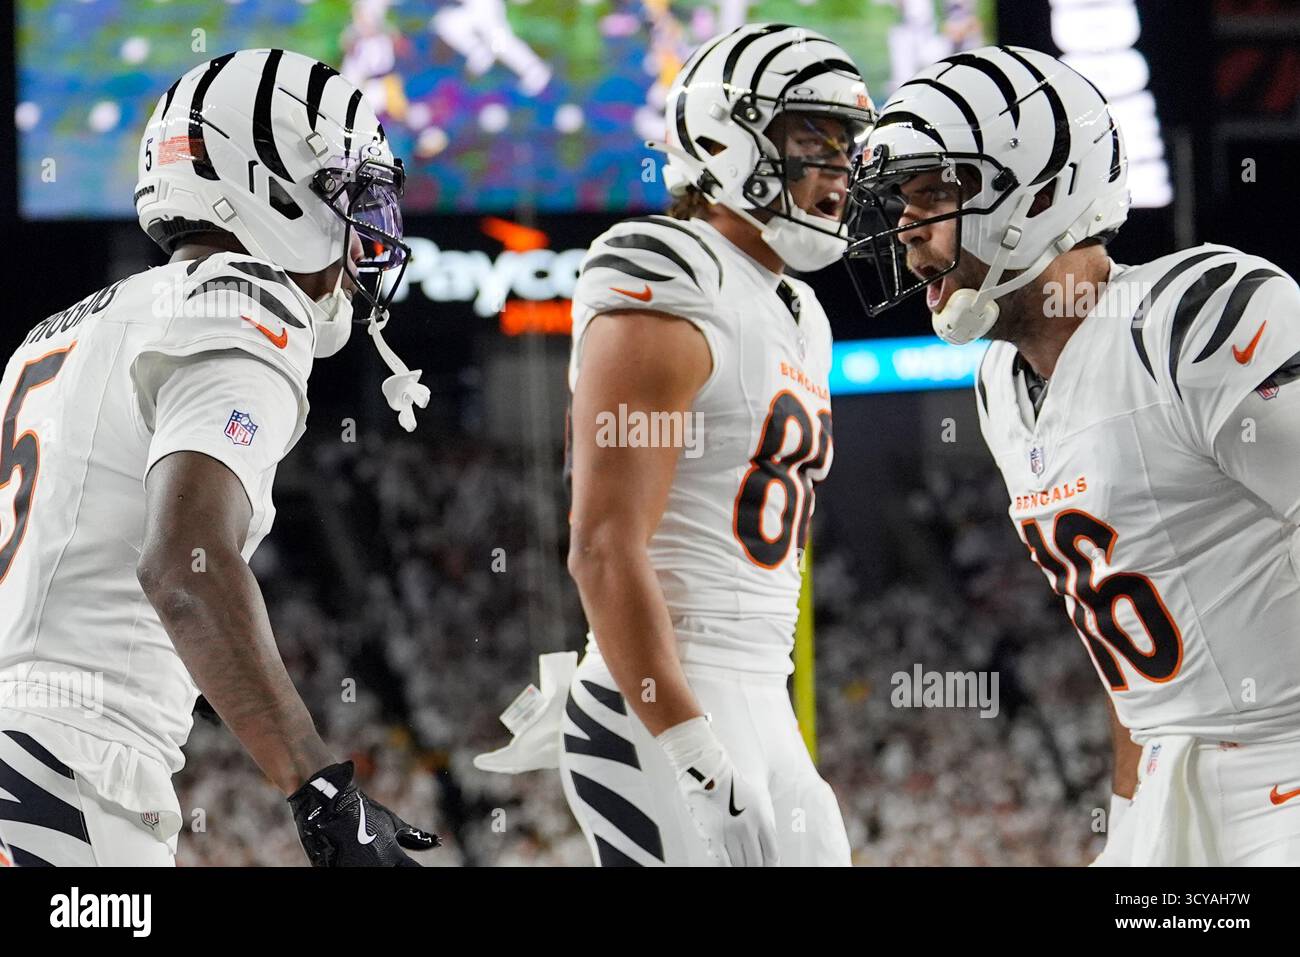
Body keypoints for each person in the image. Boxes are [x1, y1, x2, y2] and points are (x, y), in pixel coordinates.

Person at [846, 44, 1300, 865]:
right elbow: (1134, 670)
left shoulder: (1192, 322)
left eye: (930, 199)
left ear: (1040, 188)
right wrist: (1129, 822)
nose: (911, 241)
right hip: (1167, 784)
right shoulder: (998, 386)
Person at [0, 48, 433, 866]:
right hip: (71, 771)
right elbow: (186, 566)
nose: (368, 229)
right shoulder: (243, 301)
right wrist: (321, 790)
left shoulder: (55, 333)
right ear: (271, 183)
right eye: (351, 194)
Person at [481, 23, 875, 866]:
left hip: (760, 690)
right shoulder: (669, 272)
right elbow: (602, 545)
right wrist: (694, 753)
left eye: (845, 148)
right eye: (813, 140)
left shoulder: (801, 314)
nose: (836, 172)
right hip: (661, 698)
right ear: (726, 138)